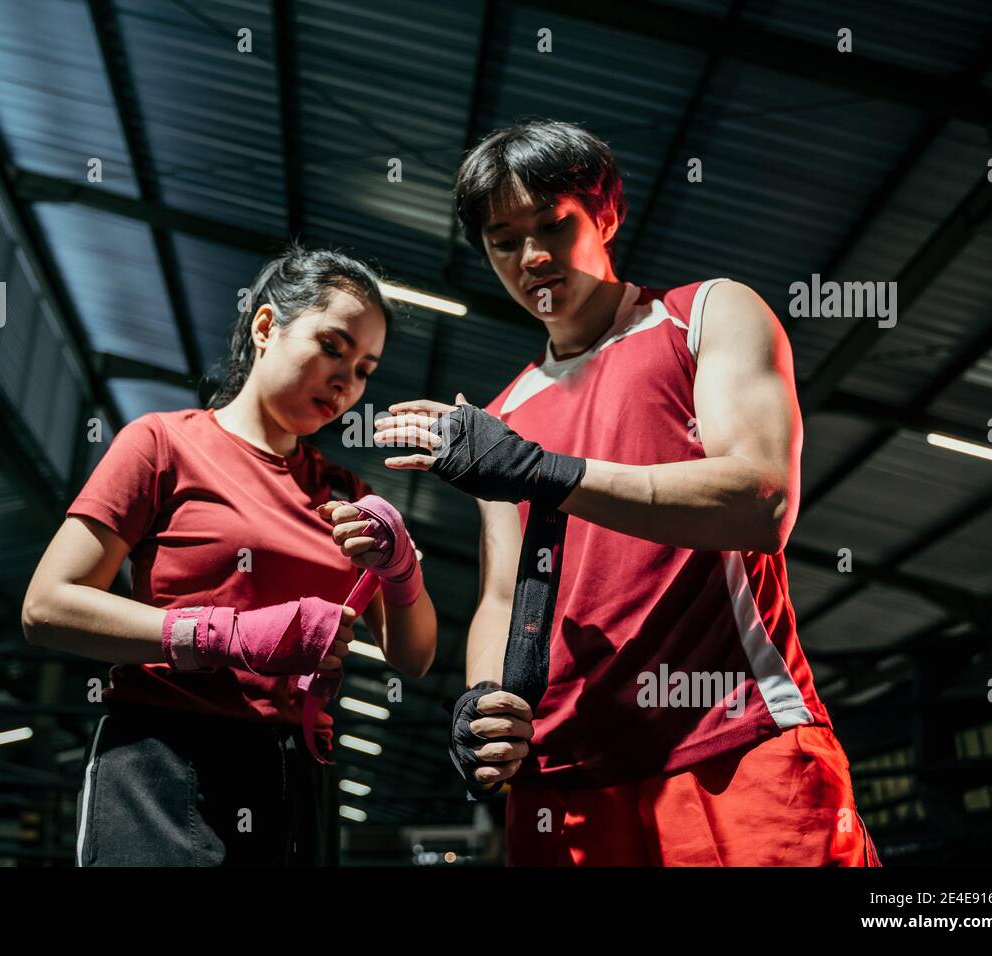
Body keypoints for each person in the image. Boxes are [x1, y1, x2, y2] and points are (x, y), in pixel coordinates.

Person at [376, 120, 880, 866]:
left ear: (606, 214)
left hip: (731, 748)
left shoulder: (706, 314)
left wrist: (544, 472)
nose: (533, 257)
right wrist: (482, 702)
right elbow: (504, 596)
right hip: (561, 787)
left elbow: (763, 500)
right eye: (504, 240)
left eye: (554, 224)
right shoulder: (502, 418)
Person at [21, 244, 437, 866]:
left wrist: (402, 573)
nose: (347, 381)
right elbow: (47, 606)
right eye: (332, 347)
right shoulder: (162, 443)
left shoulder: (349, 494)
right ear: (266, 327)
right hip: (163, 761)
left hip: (294, 770)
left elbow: (415, 658)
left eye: (365, 369)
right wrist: (227, 635)